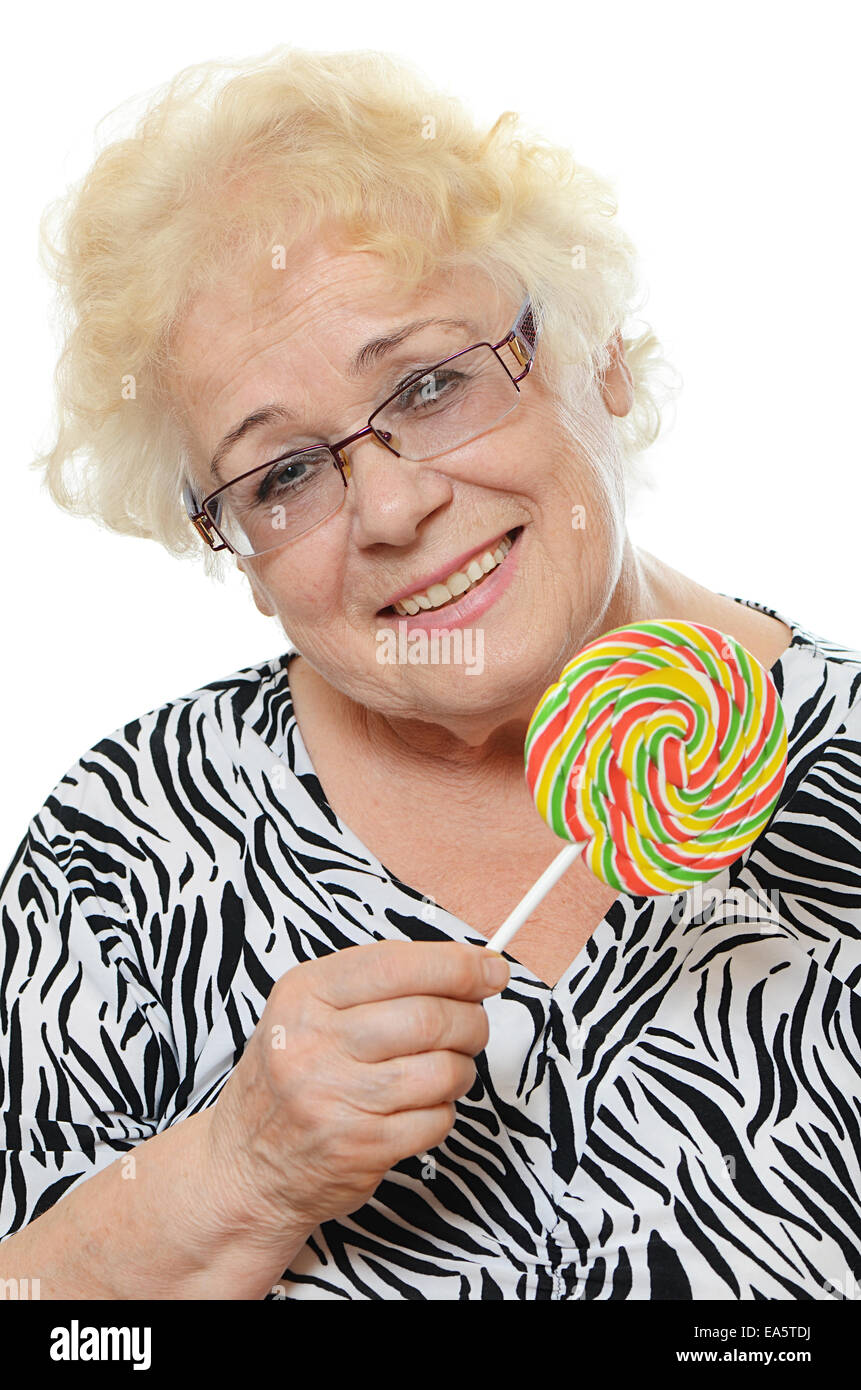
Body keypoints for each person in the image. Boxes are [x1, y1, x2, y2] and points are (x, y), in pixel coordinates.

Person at [1, 45, 860, 1301]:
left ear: (599, 354)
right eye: (284, 473)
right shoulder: (120, 853)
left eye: (430, 384)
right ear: (237, 555)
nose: (392, 506)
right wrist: (237, 1175)